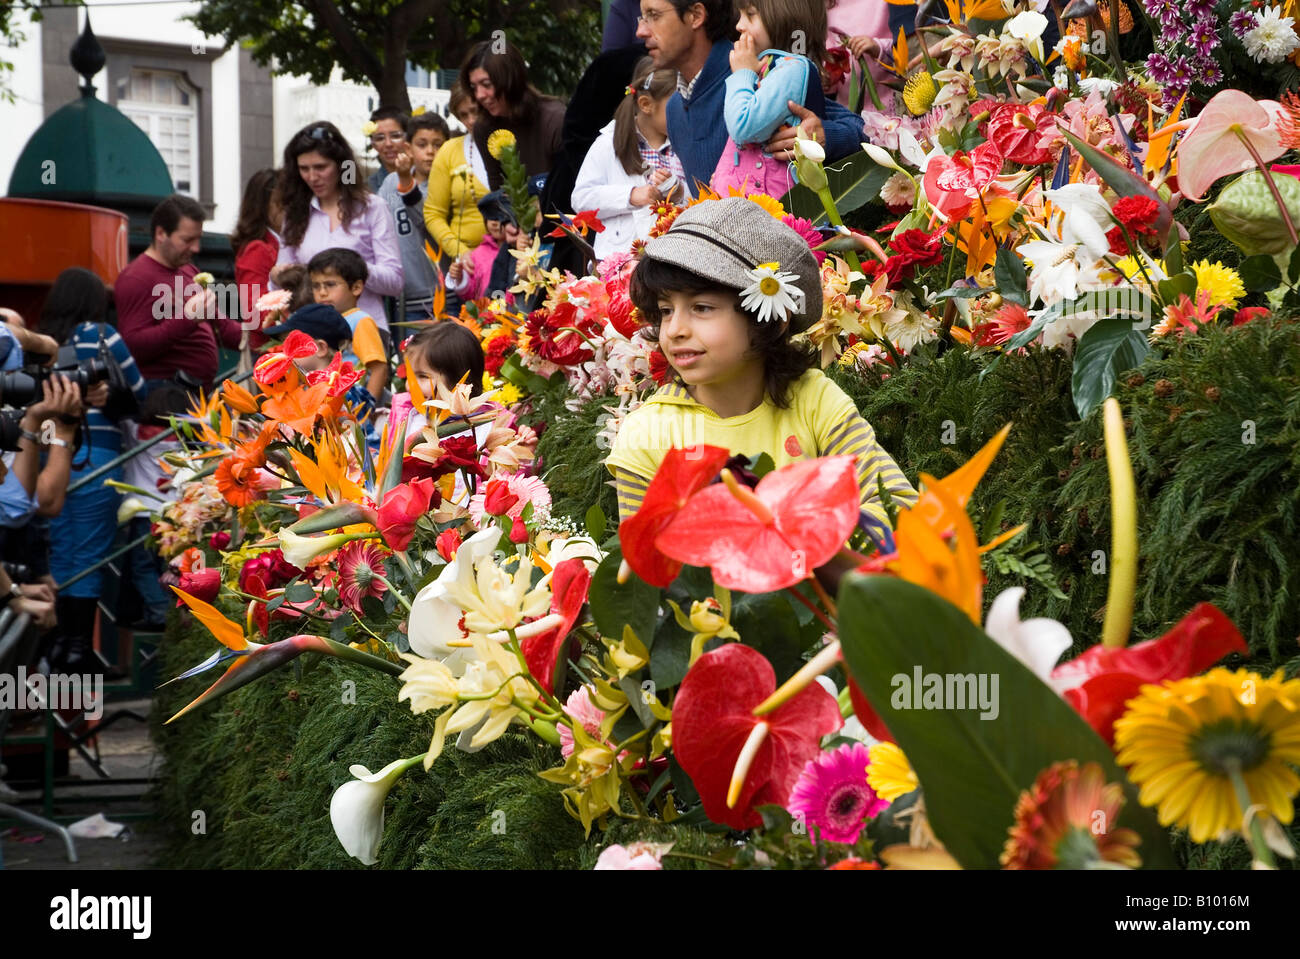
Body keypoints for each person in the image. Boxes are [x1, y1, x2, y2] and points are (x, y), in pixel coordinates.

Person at [606, 197, 917, 531]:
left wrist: (806, 553)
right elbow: (646, 568)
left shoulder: (814, 401)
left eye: (702, 308)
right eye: (666, 310)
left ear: (773, 318)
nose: (676, 330)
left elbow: (899, 509)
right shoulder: (647, 435)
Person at [635, 0, 866, 195]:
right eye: (642, 18)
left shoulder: (757, 74)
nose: (641, 31)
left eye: (653, 15)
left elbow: (859, 131)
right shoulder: (674, 107)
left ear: (696, 16)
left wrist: (825, 136)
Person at [39, 268, 149, 670]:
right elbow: (139, 392)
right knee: (88, 555)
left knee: (58, 553)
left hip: (46, 458)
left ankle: (54, 648)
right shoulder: (101, 334)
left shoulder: (42, 339)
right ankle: (78, 650)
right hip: (96, 456)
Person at [272, 121, 404, 341]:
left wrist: (351, 268)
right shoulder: (295, 214)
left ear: (342, 166)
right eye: (304, 169)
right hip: (313, 334)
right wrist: (277, 276)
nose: (312, 177)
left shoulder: (372, 208)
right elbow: (282, 287)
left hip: (364, 330)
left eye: (321, 167)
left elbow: (394, 282)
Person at [115, 194, 245, 394]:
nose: (196, 248)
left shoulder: (189, 271)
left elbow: (224, 328)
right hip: (165, 396)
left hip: (196, 394)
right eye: (187, 240)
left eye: (198, 239)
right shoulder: (136, 278)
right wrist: (187, 319)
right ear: (161, 233)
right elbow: (132, 347)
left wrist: (272, 336)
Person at [572, 58, 685, 261]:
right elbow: (581, 199)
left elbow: (704, 197)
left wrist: (679, 192)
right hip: (620, 266)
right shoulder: (609, 144)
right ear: (646, 105)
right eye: (676, 104)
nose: (683, 112)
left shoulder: (685, 144)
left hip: (673, 262)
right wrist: (631, 196)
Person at [713, 0, 829, 197]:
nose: (739, 25)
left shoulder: (794, 68)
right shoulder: (768, 67)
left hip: (769, 210)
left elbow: (743, 128)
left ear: (786, 17)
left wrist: (741, 74)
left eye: (750, 15)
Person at [459, 40, 567, 202]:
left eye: (486, 84)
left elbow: (570, 189)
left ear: (511, 80)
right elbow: (498, 191)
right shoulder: (484, 128)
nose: (479, 95)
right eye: (474, 87)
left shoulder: (555, 120)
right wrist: (503, 221)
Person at [260, 303, 380, 446]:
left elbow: (367, 445)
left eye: (293, 345)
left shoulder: (340, 393)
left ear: (321, 348)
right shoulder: (309, 389)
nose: (285, 352)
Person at [424, 85, 490, 315]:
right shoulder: (450, 150)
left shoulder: (511, 142)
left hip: (513, 261)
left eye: (476, 111)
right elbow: (433, 213)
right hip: (468, 272)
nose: (471, 120)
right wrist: (460, 251)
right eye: (463, 115)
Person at [379, 111, 450, 324]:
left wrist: (405, 180)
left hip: (441, 294)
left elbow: (425, 221)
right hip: (403, 298)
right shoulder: (391, 182)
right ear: (408, 148)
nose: (430, 152)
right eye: (422, 144)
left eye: (438, 145)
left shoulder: (447, 184)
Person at [306, 249, 389, 401]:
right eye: (316, 286)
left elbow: (379, 369)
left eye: (330, 284)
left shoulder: (360, 321)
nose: (322, 292)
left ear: (356, 287)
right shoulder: (320, 320)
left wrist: (366, 409)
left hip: (352, 404)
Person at [231, 168, 281, 340]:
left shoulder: (282, 243)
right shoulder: (257, 250)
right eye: (281, 203)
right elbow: (256, 315)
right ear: (262, 207)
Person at [366, 107, 411, 192]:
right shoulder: (368, 188)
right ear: (373, 144)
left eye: (395, 136)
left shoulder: (424, 177)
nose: (388, 144)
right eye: (380, 138)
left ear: (408, 138)